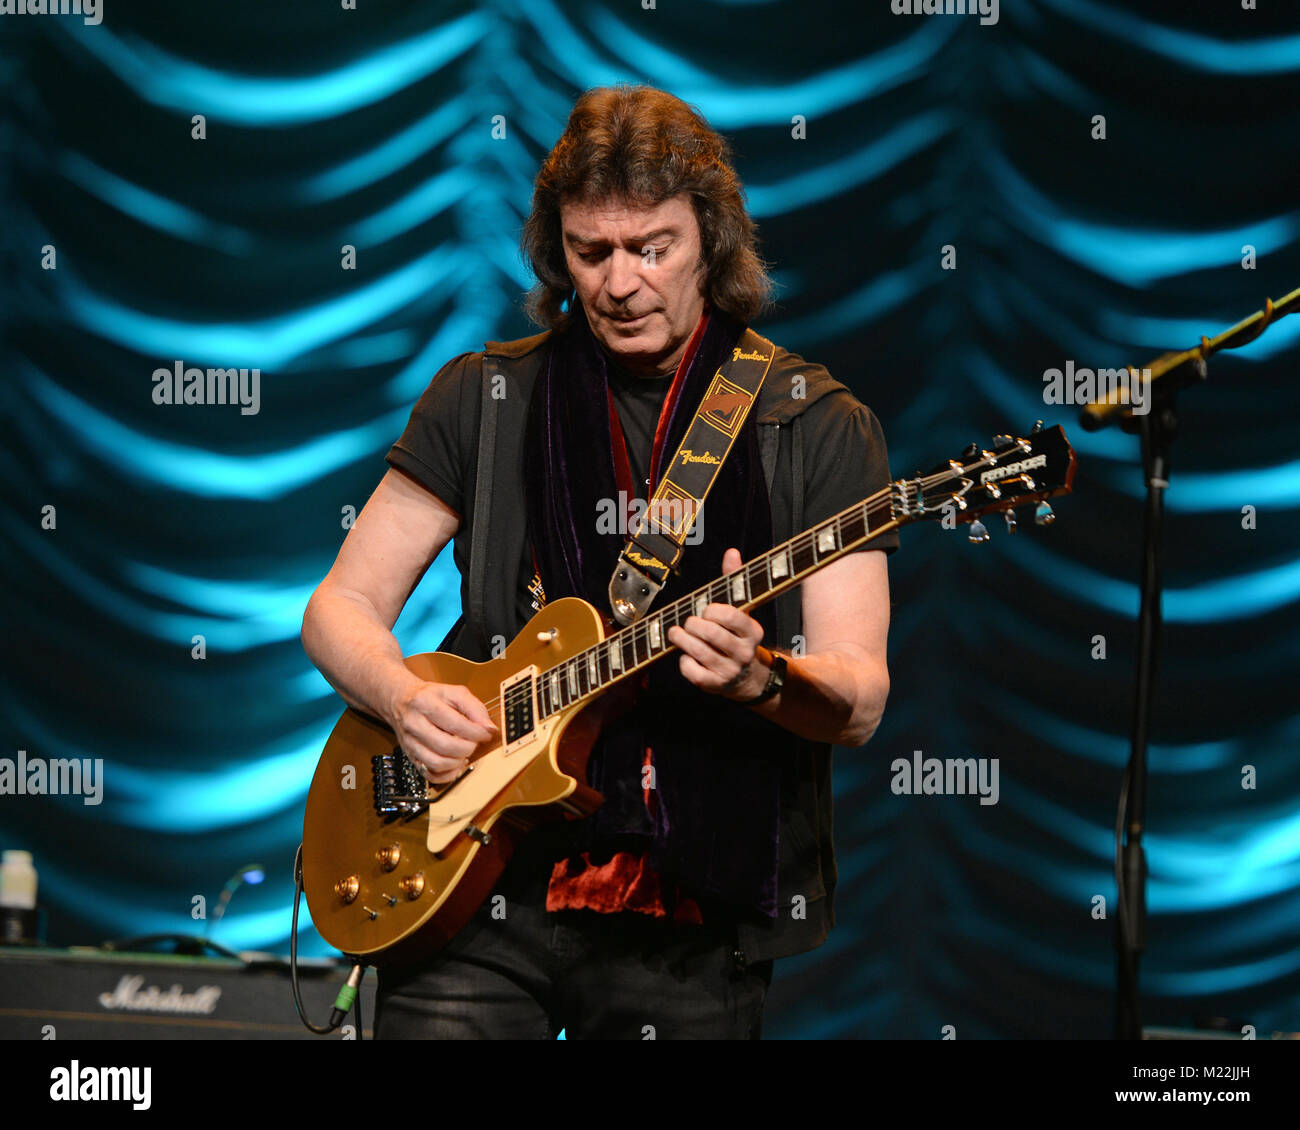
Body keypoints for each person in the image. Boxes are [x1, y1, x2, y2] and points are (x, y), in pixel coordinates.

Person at [301, 83, 896, 1040]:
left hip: (689, 906)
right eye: (593, 252)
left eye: (652, 247)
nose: (621, 282)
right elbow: (337, 611)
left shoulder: (812, 423)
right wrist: (405, 700)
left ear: (710, 238)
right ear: (558, 252)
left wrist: (760, 679)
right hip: (472, 877)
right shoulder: (484, 397)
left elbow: (859, 697)